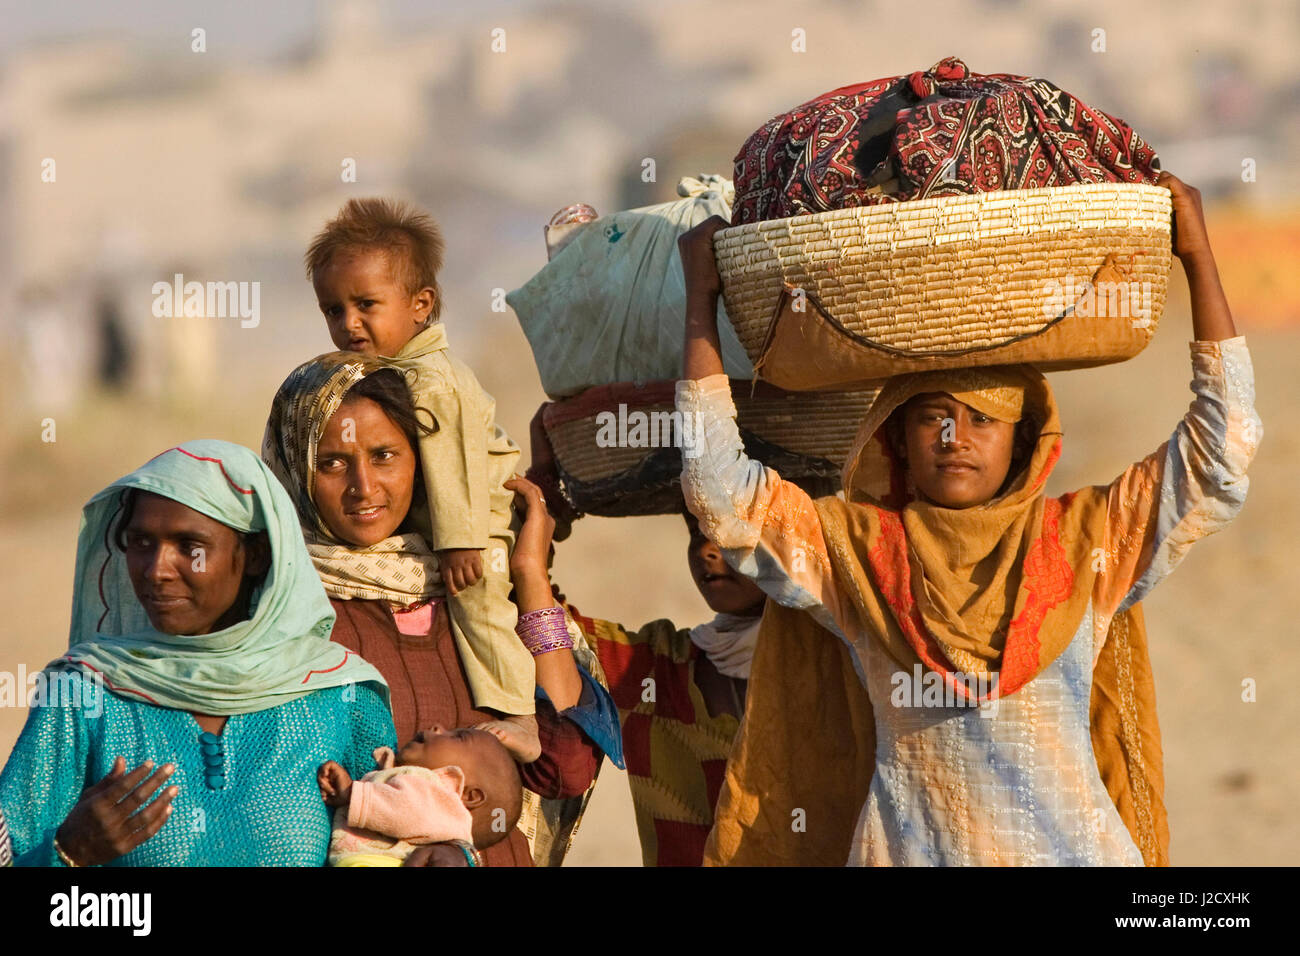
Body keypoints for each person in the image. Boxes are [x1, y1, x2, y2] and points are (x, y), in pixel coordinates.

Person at [674, 171, 1261, 866]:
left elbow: (1224, 447)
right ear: (896, 438)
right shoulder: (852, 552)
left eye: (984, 419)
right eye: (933, 419)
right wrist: (702, 302)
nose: (956, 439)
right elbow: (718, 493)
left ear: (1023, 440)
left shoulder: (1090, 540)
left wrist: (1196, 256)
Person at [263, 353, 622, 867]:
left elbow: (565, 767)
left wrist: (529, 578)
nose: (364, 487)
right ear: (295, 468)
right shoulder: (287, 613)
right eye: (332, 463)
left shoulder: (479, 592)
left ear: (425, 462)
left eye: (385, 455)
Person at [0, 440, 393, 867]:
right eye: (141, 542)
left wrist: (447, 852)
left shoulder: (339, 694)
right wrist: (67, 852)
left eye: (190, 546)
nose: (157, 570)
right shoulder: (82, 694)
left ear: (257, 554)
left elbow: (407, 836)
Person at [304, 198, 538, 760]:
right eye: (333, 310)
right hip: (458, 520)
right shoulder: (385, 376)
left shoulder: (432, 378)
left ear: (420, 305)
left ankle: (522, 717)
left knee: (481, 605)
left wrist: (460, 542)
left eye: (366, 305)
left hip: (478, 521)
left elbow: (453, 463)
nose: (349, 323)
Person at [521, 416, 764, 865]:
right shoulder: (661, 668)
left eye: (730, 529)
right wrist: (545, 504)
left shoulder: (840, 655)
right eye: (695, 532)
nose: (706, 551)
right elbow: (552, 630)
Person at [319, 725, 523, 867]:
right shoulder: (416, 786)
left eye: (458, 737)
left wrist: (351, 793)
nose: (437, 727)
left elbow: (405, 809)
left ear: (469, 795)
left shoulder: (441, 801)